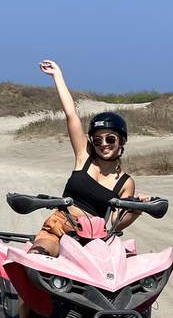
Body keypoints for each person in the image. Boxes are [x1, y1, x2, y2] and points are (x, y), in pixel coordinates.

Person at [30, 59, 152, 258]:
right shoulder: (84, 156)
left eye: (110, 138)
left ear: (121, 141)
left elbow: (116, 222)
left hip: (94, 238)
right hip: (59, 226)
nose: (103, 143)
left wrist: (137, 208)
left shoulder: (125, 182)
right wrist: (57, 76)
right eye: (97, 139)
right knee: (37, 256)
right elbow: (71, 115)